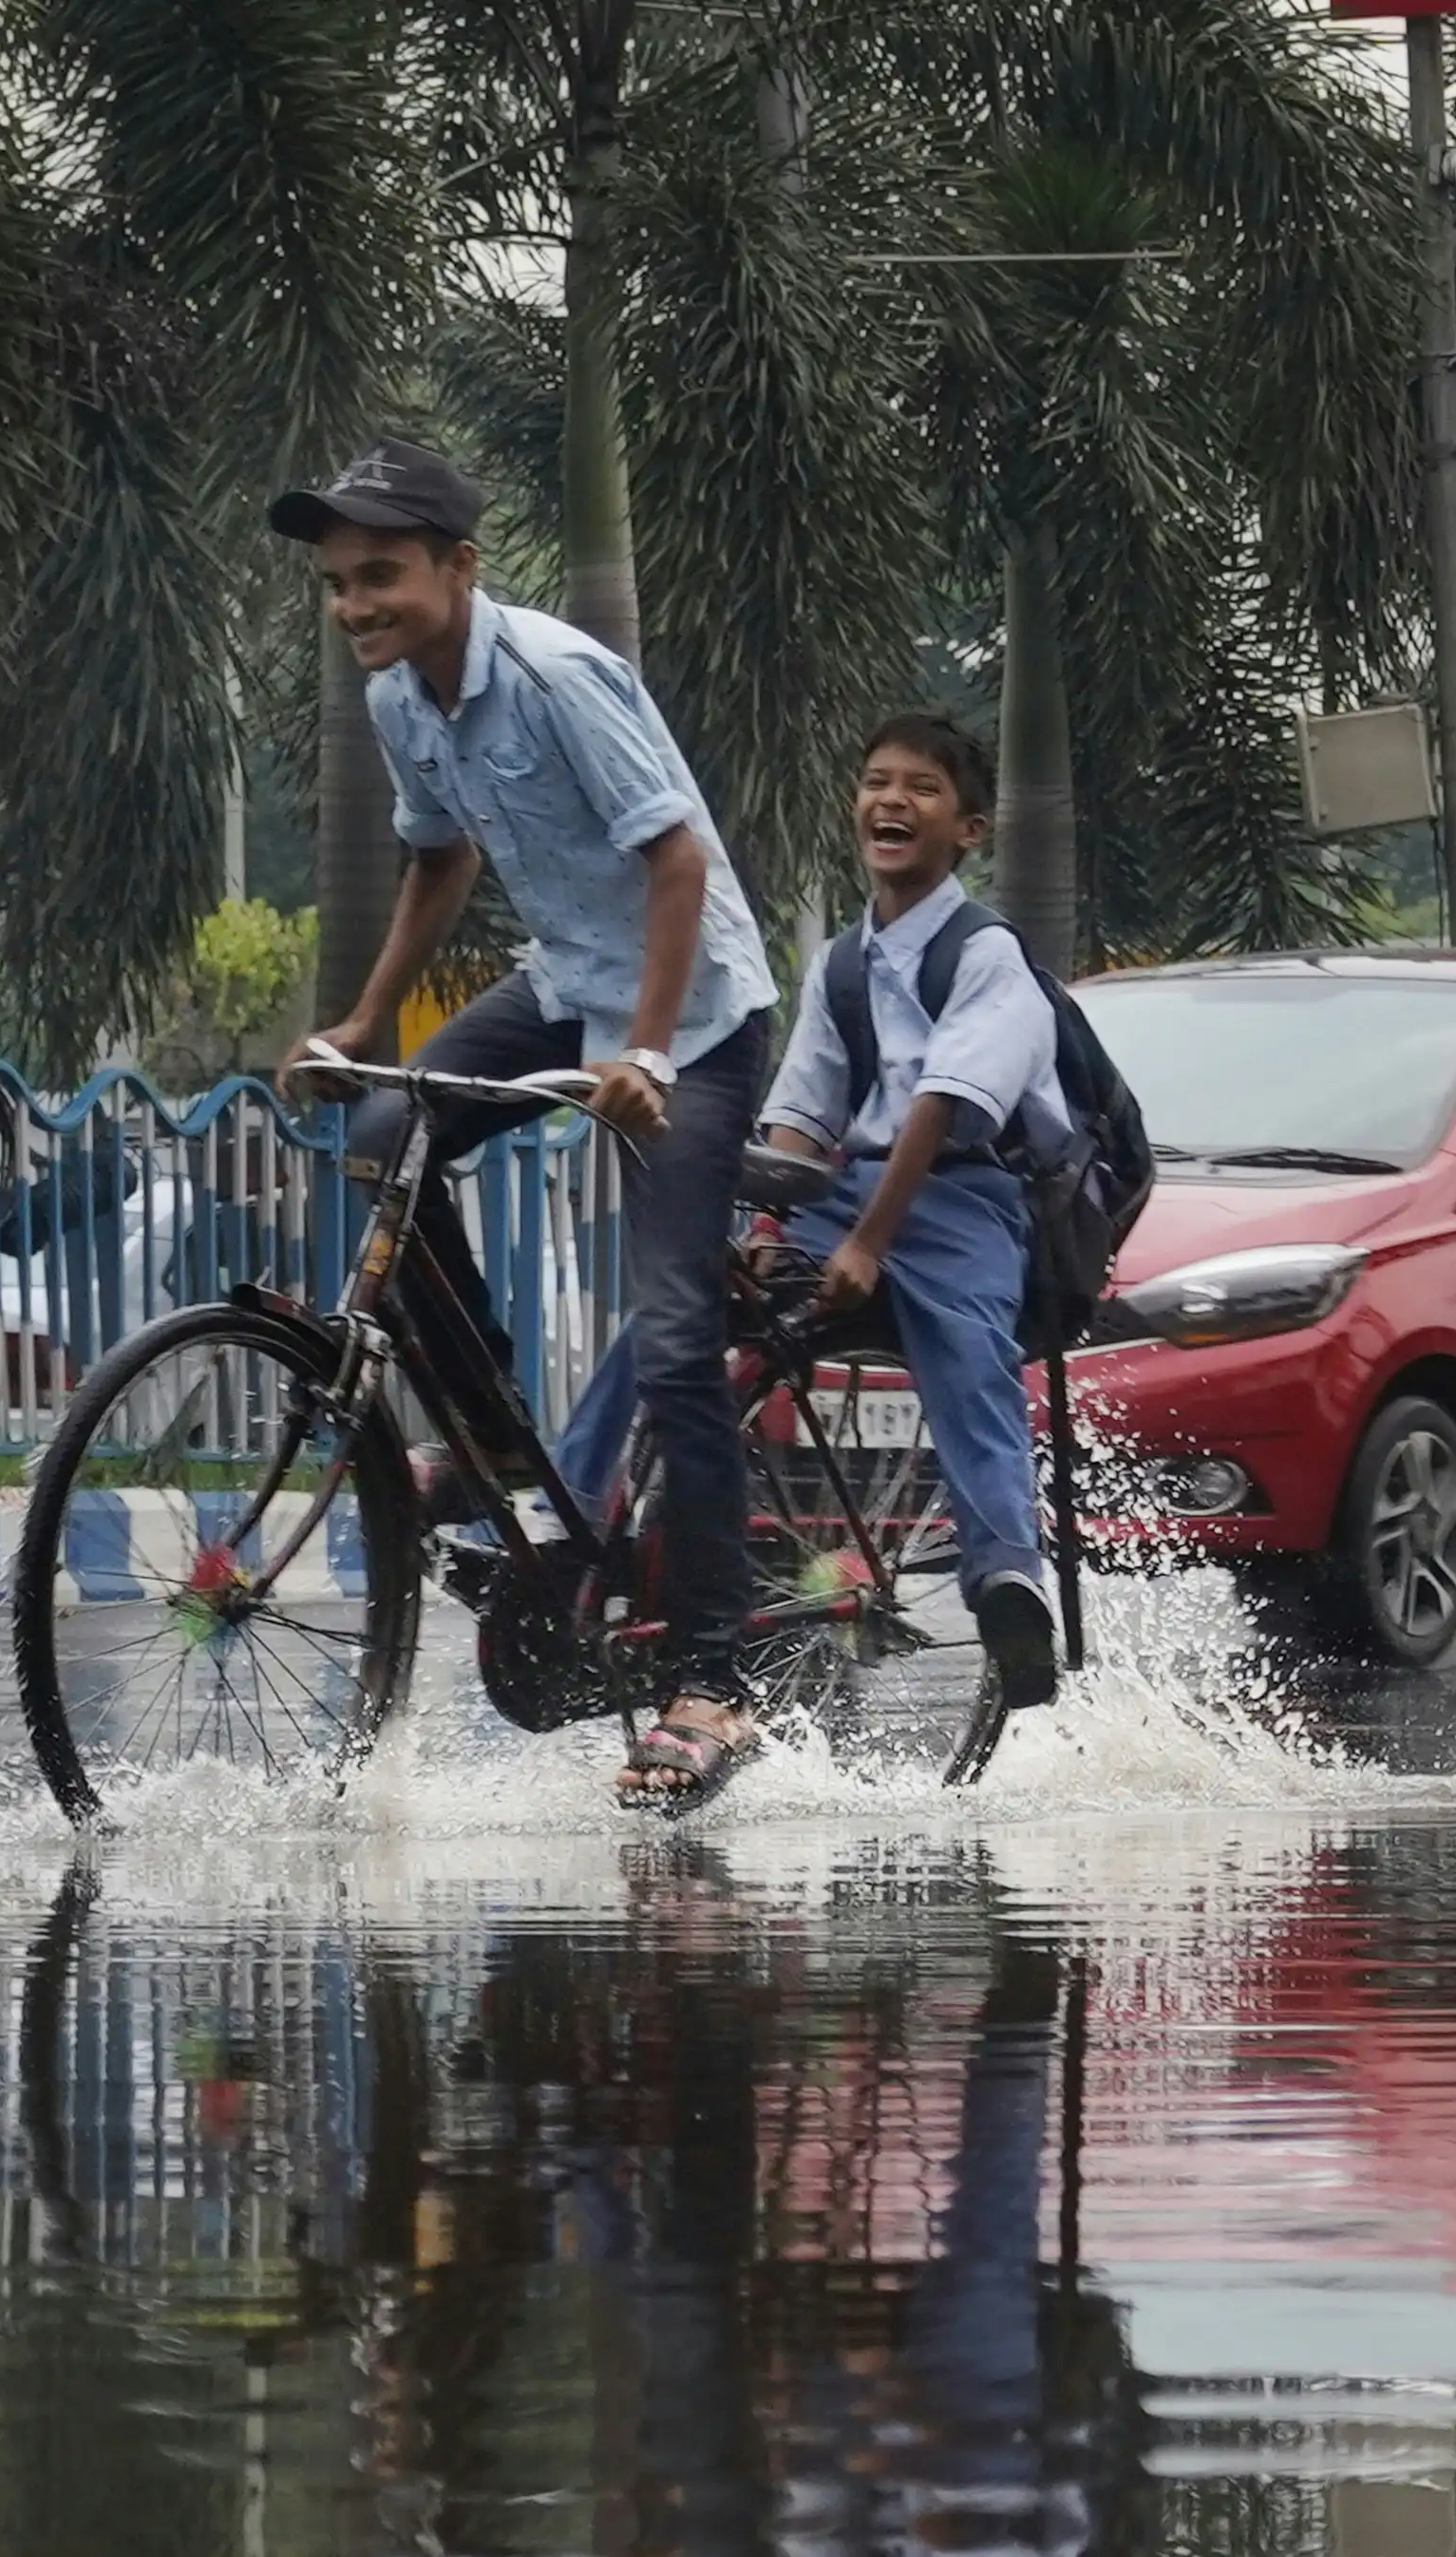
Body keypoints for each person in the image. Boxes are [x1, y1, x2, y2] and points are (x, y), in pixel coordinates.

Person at [270, 438, 783, 1813]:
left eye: (381, 574)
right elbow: (438, 853)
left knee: (676, 1338)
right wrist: (367, 1020)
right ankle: (501, 1451)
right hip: (565, 986)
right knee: (387, 1134)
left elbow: (677, 861)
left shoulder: (557, 675)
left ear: (458, 566)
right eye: (338, 583)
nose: (357, 603)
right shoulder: (398, 698)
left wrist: (653, 1054)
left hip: (699, 1016)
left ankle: (714, 1687)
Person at [667, 708, 1071, 1710]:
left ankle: (1007, 1579)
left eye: (923, 789)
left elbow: (948, 1103)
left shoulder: (988, 957)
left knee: (970, 1355)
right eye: (878, 782)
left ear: (968, 830)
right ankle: (582, 1524)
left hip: (965, 1200)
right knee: (674, 1312)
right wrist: (764, 1233)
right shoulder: (844, 965)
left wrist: (869, 1241)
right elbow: (803, 1116)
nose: (893, 801)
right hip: (846, 1194)